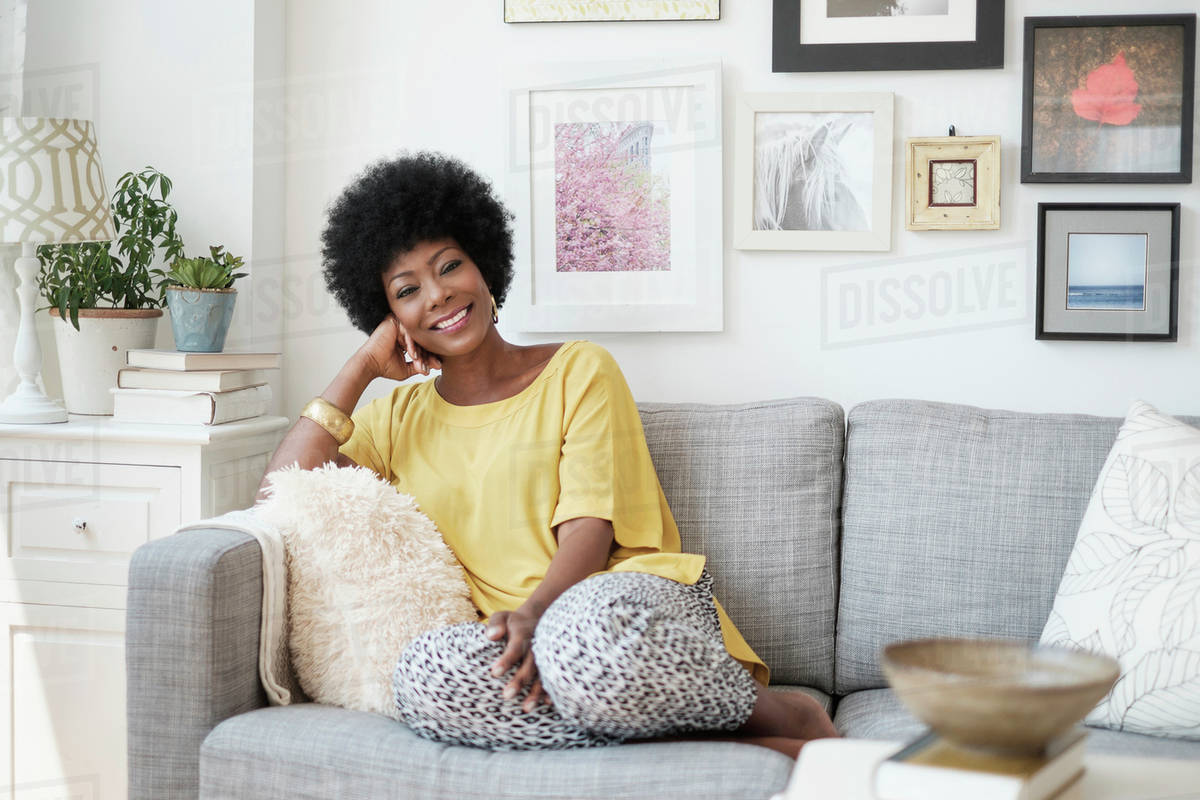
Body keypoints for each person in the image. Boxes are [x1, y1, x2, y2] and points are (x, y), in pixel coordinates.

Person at [258, 151, 839, 758]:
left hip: (620, 604)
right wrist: (362, 367)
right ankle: (704, 734)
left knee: (585, 645)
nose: (437, 294)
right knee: (423, 676)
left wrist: (539, 613)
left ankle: (781, 716)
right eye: (407, 290)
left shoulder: (579, 369)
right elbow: (283, 492)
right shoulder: (396, 419)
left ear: (484, 265)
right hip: (514, 637)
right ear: (389, 316)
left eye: (450, 265)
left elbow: (590, 526)